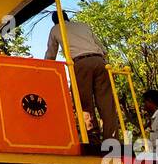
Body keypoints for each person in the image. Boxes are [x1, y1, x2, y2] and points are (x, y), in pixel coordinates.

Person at [45, 11, 118, 144]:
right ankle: (111, 138)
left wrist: (44, 69)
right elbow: (103, 49)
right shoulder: (83, 25)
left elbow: (51, 54)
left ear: (54, 21)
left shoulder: (55, 29)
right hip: (100, 61)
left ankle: (92, 136)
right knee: (106, 102)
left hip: (80, 63)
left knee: (84, 102)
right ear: (67, 17)